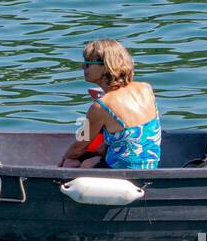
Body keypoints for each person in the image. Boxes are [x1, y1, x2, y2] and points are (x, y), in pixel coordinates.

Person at [59, 39, 162, 169]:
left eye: (87, 63)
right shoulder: (146, 88)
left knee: (74, 162)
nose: (82, 67)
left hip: (126, 169)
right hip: (151, 164)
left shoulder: (101, 106)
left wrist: (63, 160)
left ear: (105, 66)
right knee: (95, 152)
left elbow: (79, 147)